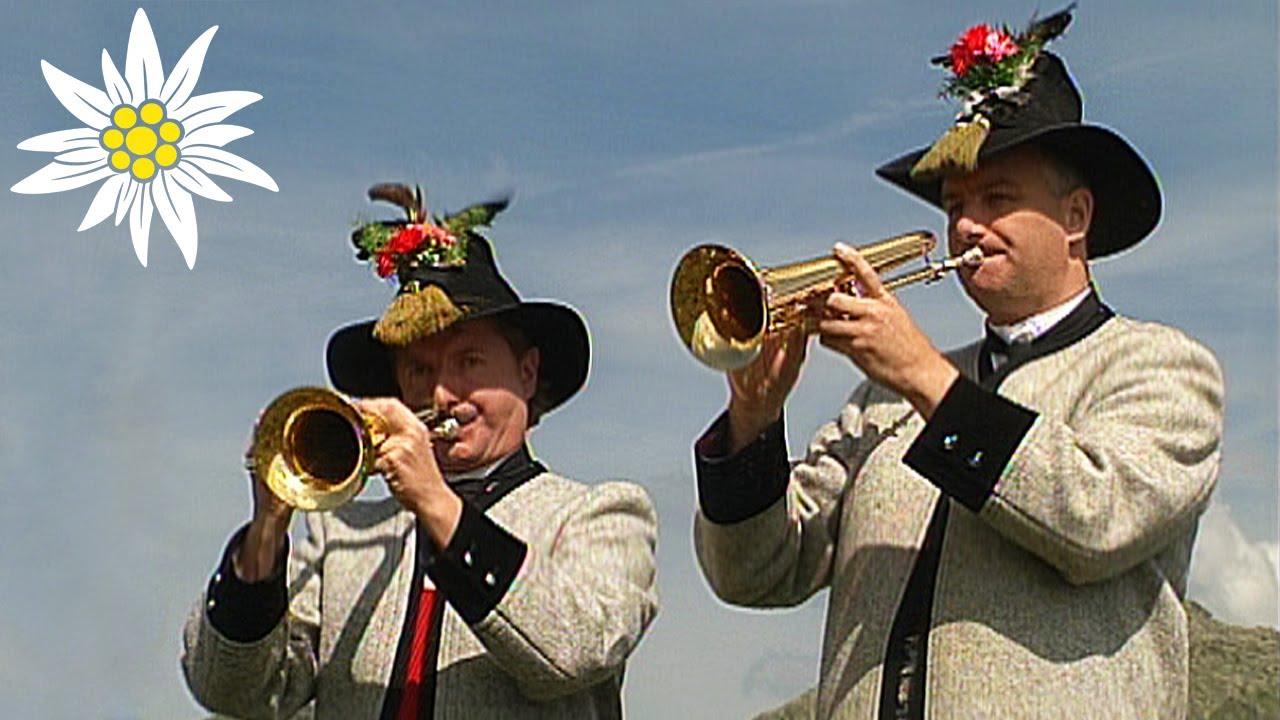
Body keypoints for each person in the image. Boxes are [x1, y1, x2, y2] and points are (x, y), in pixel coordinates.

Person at [690, 9, 1223, 719]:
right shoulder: (877, 402)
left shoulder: (1161, 367)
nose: (967, 226)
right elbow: (758, 574)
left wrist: (923, 378)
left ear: (1076, 218)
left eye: (998, 199)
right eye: (956, 204)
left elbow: (1098, 520)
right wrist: (752, 422)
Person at [182, 184, 659, 719]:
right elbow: (232, 693)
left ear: (527, 373)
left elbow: (576, 648)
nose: (441, 394)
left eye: (470, 361)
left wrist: (436, 503)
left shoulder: (603, 513)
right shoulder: (340, 537)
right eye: (419, 370)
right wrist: (265, 536)